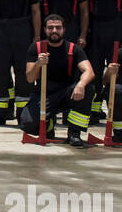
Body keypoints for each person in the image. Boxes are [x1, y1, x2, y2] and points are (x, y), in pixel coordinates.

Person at [21, 13, 95, 146]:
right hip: (45, 94)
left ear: (64, 29)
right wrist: (38, 64)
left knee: (88, 87)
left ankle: (74, 133)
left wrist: (81, 84)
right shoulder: (36, 48)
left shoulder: (73, 49)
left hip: (67, 93)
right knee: (28, 124)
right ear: (44, 30)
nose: (54, 31)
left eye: (58, 27)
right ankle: (49, 124)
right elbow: (30, 78)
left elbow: (89, 71)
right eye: (50, 28)